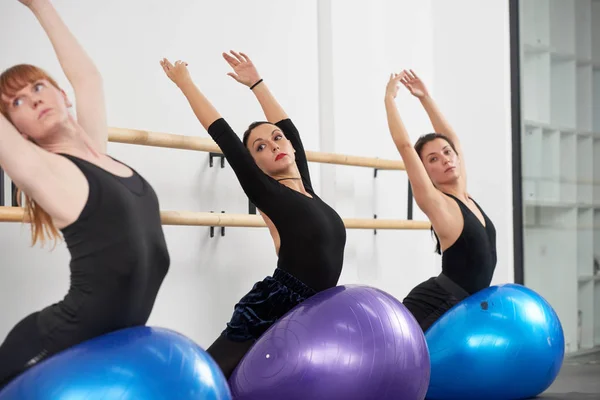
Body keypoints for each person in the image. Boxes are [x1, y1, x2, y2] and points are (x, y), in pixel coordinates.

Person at [0, 0, 170, 387]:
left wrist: (41, 6)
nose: (34, 99)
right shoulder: (44, 171)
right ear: (19, 131)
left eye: (38, 87)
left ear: (63, 95)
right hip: (50, 348)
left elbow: (89, 79)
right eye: (17, 103)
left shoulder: (98, 154)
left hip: (103, 352)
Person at [160, 50, 346, 378]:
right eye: (260, 147)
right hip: (274, 306)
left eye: (276, 139)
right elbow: (224, 136)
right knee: (211, 376)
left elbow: (289, 130)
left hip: (311, 311)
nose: (273, 145)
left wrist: (256, 83)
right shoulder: (269, 194)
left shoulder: (308, 190)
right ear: (255, 166)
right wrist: (185, 84)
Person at [383, 69, 497, 332]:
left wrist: (425, 98)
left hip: (464, 307)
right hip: (438, 305)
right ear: (425, 171)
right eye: (433, 159)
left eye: (447, 153)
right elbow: (404, 147)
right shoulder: (437, 202)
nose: (445, 159)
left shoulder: (466, 196)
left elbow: (453, 139)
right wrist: (390, 99)